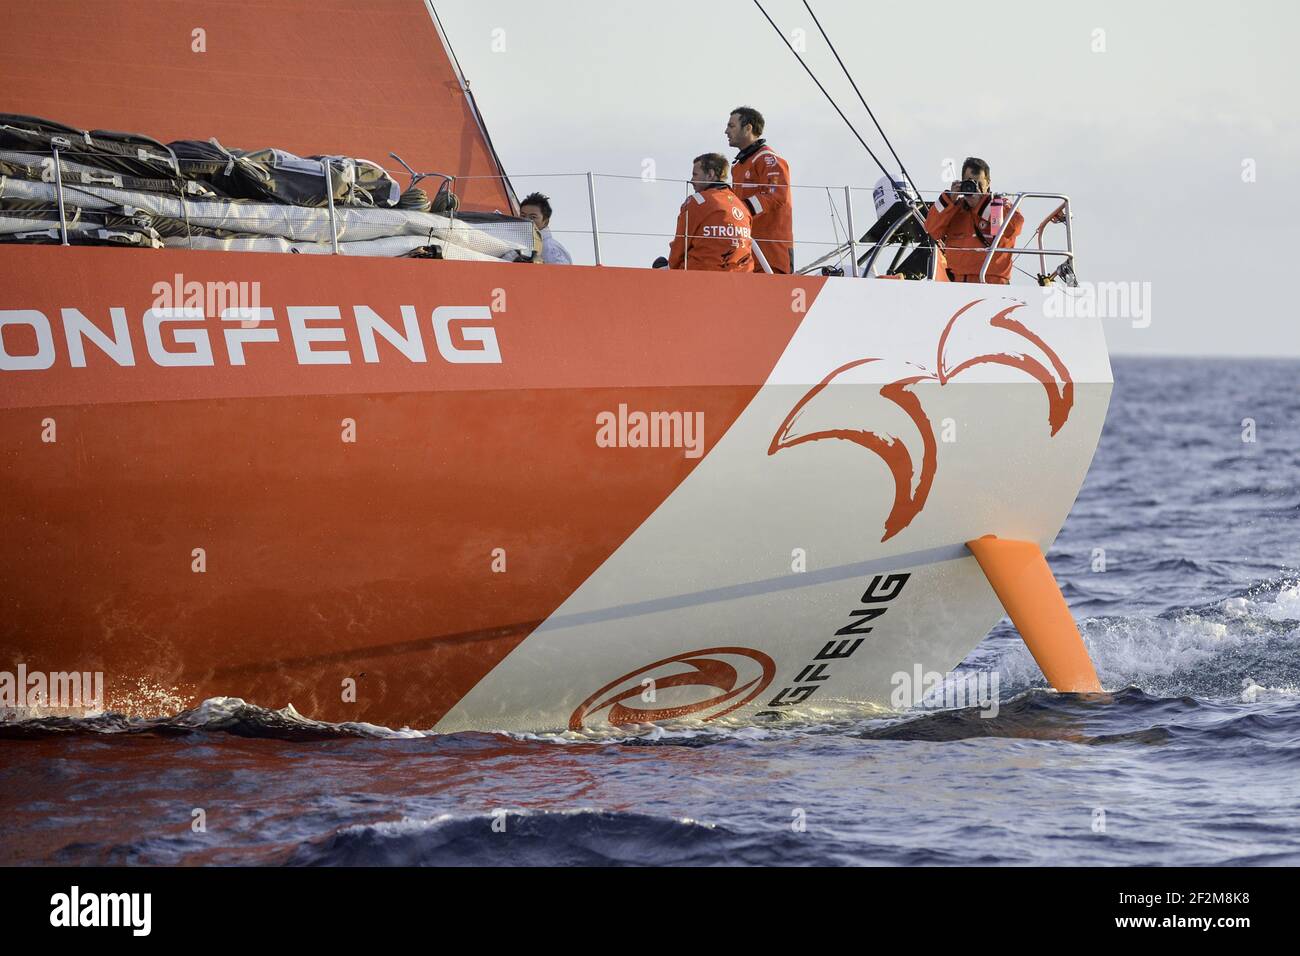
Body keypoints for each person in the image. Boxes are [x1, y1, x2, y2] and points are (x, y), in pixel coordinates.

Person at [924, 157, 1023, 283]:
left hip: (993, 283)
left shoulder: (1001, 205)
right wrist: (949, 199)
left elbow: (1012, 228)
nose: (974, 188)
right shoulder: (954, 208)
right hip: (958, 283)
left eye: (979, 184)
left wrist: (981, 203)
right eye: (969, 183)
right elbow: (932, 230)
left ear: (988, 182)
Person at [726, 106, 793, 273]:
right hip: (746, 253)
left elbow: (776, 196)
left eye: (731, 126)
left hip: (770, 254)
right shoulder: (739, 165)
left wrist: (739, 211)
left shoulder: (768, 159)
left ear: (748, 128)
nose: (726, 131)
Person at [661, 153, 753, 272]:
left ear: (710, 174)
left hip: (700, 276)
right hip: (741, 277)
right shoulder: (742, 206)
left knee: (659, 265)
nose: (692, 180)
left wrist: (670, 267)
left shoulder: (696, 202)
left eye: (695, 175)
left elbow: (679, 247)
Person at [519, 192, 573, 264]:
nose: (527, 220)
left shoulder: (549, 248)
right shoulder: (522, 244)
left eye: (533, 217)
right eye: (523, 216)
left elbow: (562, 274)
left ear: (545, 221)